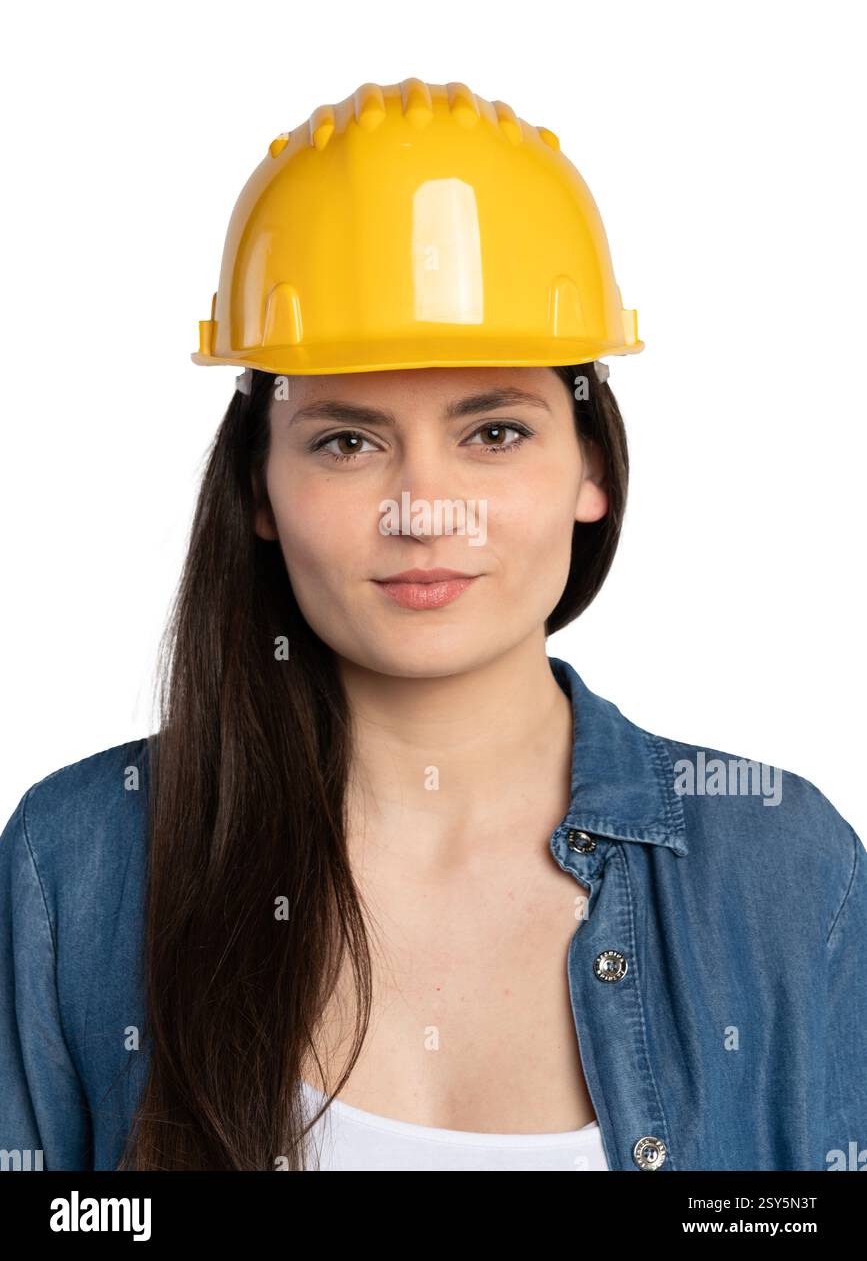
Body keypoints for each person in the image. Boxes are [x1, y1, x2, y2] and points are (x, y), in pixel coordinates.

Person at [1, 80, 865, 1173]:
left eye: (495, 430)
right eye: (347, 443)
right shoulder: (78, 862)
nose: (423, 509)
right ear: (260, 488)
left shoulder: (780, 868)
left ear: (590, 467)